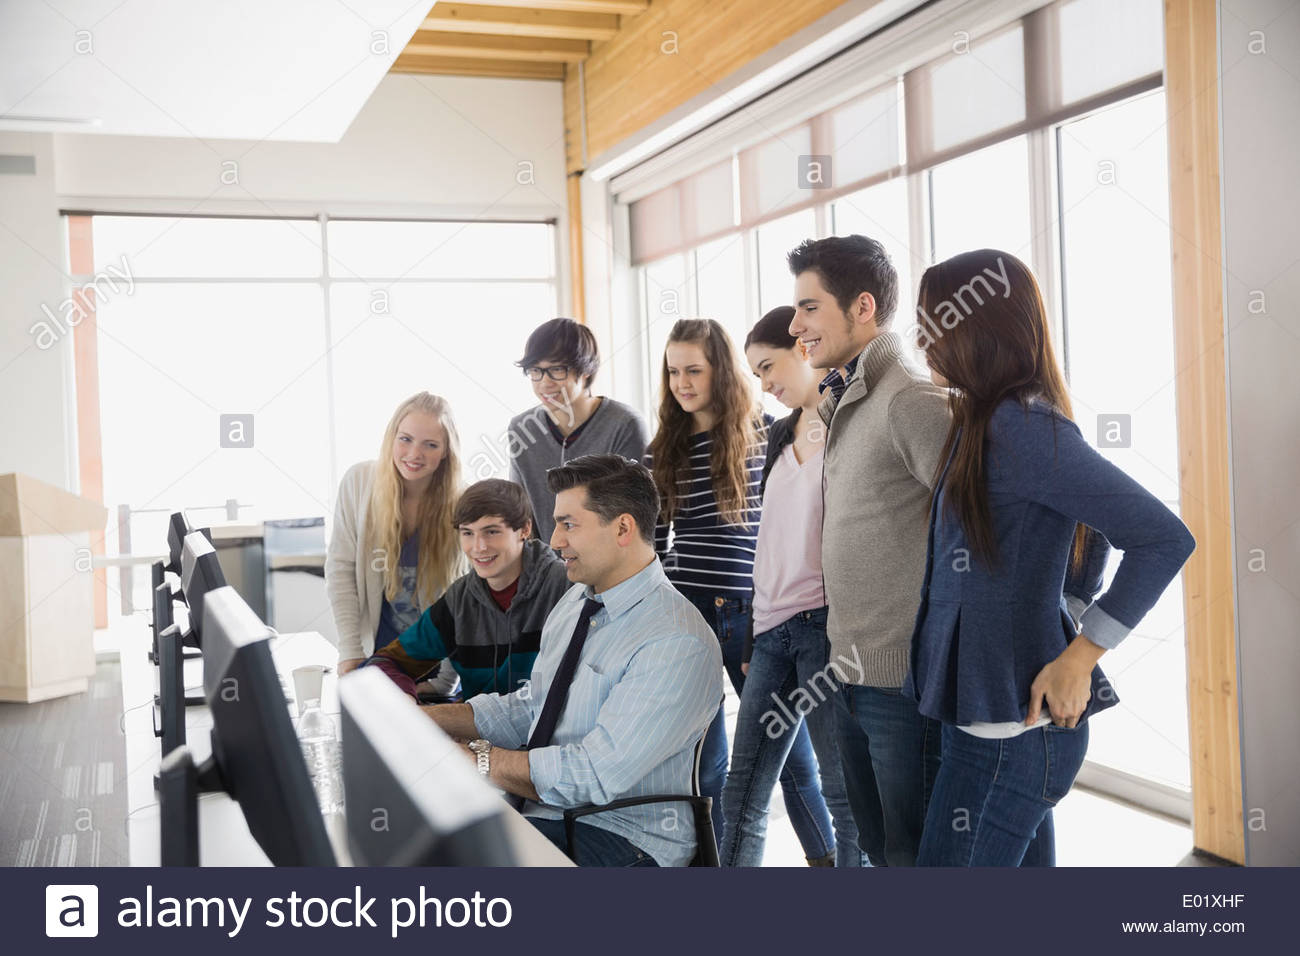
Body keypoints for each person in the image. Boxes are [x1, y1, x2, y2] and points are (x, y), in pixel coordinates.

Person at [903, 249, 1195, 866]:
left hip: (1012, 736)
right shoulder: (978, 419)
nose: (922, 338)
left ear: (980, 331)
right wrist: (1064, 604)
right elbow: (1084, 533)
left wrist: (1079, 655)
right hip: (992, 726)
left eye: (936, 322)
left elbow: (1162, 538)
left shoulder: (1023, 427)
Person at [412, 455, 722, 867]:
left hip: (622, 835)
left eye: (569, 524)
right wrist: (422, 719)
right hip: (548, 812)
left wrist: (479, 759)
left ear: (623, 528)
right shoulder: (577, 601)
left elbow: (593, 774)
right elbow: (532, 707)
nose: (555, 540)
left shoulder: (676, 641)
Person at [645, 317, 836, 865]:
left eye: (694, 370)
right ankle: (719, 864)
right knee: (710, 759)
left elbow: (781, 529)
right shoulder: (662, 449)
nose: (682, 382)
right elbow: (655, 546)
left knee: (793, 760)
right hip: (687, 617)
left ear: (722, 372)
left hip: (756, 616)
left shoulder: (769, 431)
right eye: (673, 371)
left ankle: (825, 860)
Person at [787, 234, 950, 866]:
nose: (796, 325)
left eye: (808, 307)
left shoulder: (909, 400)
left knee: (914, 858)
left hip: (902, 683)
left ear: (861, 307)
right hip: (846, 671)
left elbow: (986, 529)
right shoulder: (845, 400)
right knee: (880, 849)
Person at [719, 306, 864, 867]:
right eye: (755, 374)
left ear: (804, 348)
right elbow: (770, 543)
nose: (765, 383)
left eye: (768, 366)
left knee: (843, 795)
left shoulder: (849, 425)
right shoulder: (779, 434)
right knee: (744, 791)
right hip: (773, 630)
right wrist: (755, 638)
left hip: (826, 630)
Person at [359, 478, 571, 701]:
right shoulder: (459, 600)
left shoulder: (566, 588)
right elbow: (384, 663)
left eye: (491, 532)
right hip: (476, 732)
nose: (478, 547)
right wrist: (406, 700)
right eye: (468, 533)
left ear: (524, 529)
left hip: (548, 733)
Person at [325, 392, 465, 691]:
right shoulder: (359, 482)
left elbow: (464, 596)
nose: (414, 454)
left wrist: (447, 680)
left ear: (445, 452)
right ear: (391, 438)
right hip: (373, 662)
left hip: (433, 669)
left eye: (430, 445)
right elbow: (341, 571)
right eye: (405, 439)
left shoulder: (461, 501)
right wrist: (349, 652)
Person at [508, 317, 648, 543]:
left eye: (556, 370)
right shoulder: (521, 428)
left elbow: (632, 516)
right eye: (536, 371)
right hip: (546, 572)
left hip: (609, 569)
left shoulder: (625, 425)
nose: (544, 383)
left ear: (586, 371)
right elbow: (521, 515)